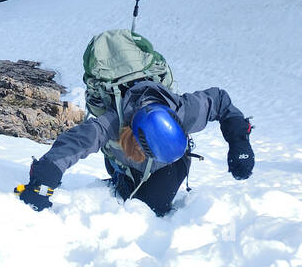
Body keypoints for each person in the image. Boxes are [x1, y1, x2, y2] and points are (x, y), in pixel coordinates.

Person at [16, 78, 254, 217]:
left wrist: (239, 143)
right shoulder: (113, 121)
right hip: (123, 161)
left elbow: (220, 100)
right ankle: (123, 178)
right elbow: (79, 140)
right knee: (128, 194)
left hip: (172, 164)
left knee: (152, 207)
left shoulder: (185, 109)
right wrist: (46, 174)